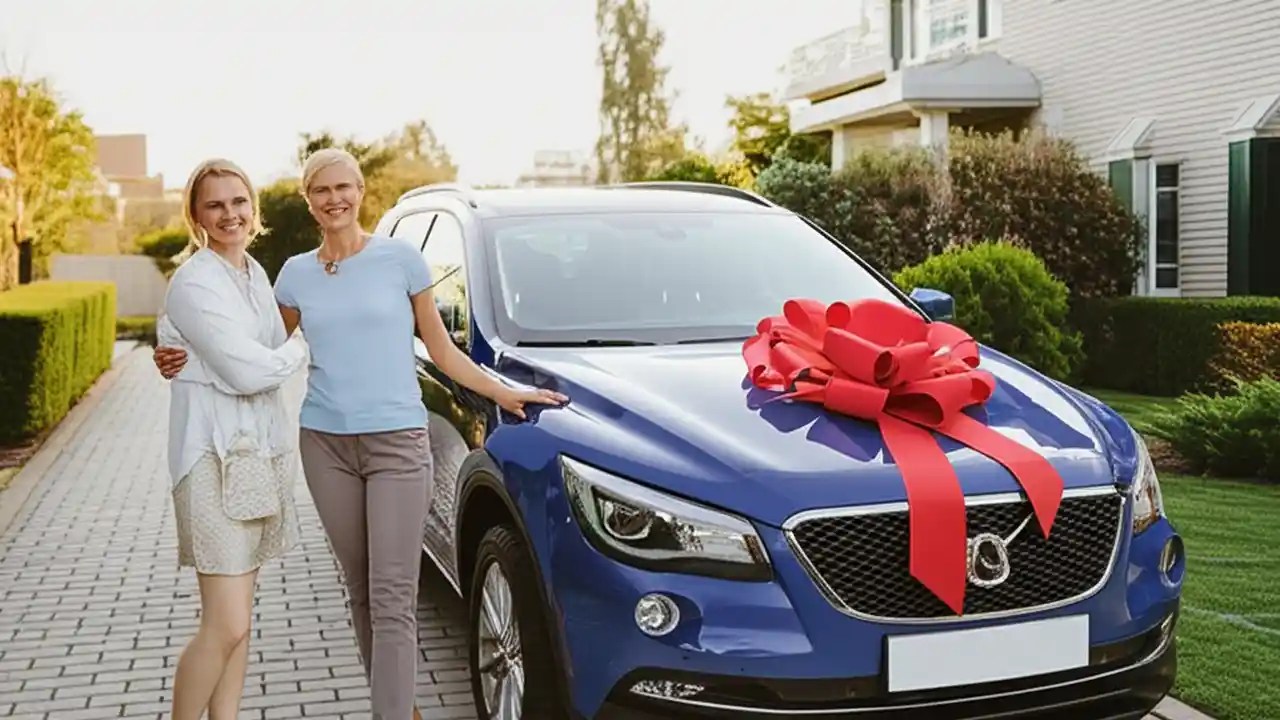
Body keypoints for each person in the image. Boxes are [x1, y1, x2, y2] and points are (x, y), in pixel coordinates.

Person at [154, 148, 567, 720]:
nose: (335, 199)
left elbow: (440, 349)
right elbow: (253, 349)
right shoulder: (293, 274)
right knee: (362, 591)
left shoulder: (401, 260)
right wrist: (176, 353)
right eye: (321, 191)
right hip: (324, 447)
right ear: (307, 201)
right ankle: (400, 705)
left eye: (343, 187)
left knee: (394, 598)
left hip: (398, 443)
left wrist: (502, 392)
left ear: (361, 189)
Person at [158, 158, 309, 720]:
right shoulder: (196, 281)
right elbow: (252, 371)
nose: (230, 214)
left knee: (240, 628)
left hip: (255, 460)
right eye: (215, 204)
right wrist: (302, 346)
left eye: (238, 201)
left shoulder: (253, 274)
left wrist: (273, 356)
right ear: (196, 215)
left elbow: (261, 355)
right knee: (226, 624)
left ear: (254, 207)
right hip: (211, 462)